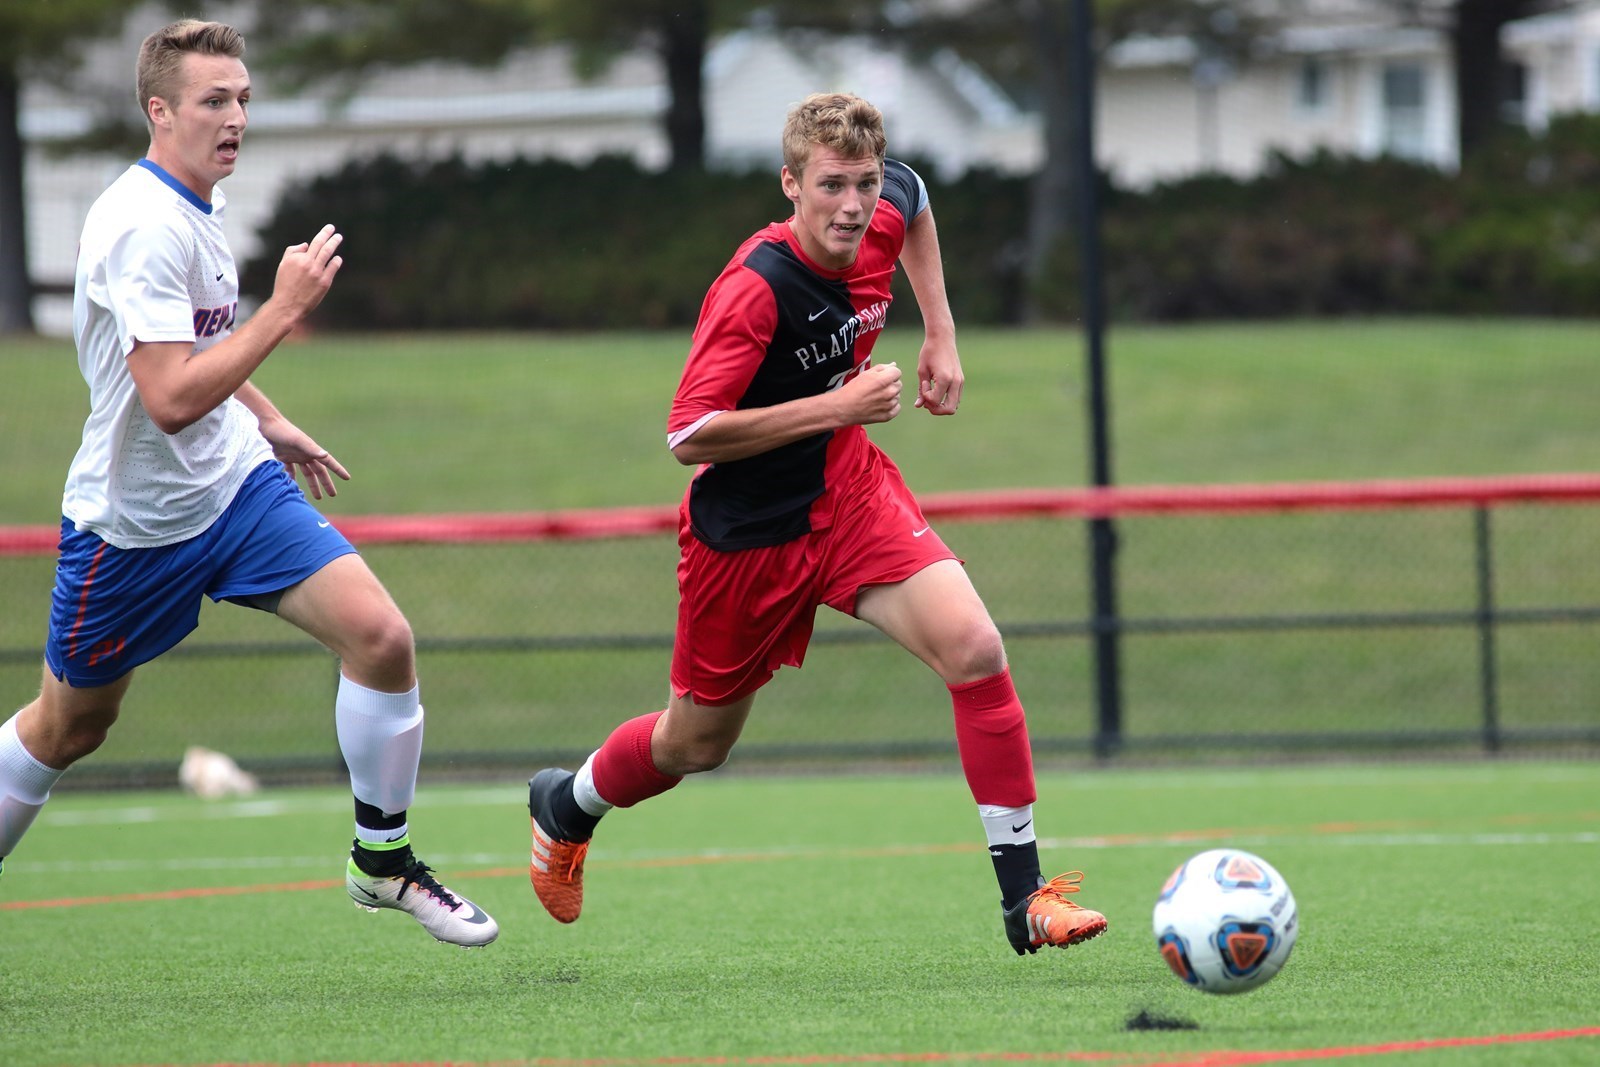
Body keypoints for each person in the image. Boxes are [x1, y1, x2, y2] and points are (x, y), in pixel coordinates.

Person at [525, 92, 1106, 956]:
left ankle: (1026, 899)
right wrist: (832, 405)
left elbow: (915, 198)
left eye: (863, 184)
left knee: (976, 648)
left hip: (849, 496)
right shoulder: (754, 289)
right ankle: (567, 804)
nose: (852, 204)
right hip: (749, 535)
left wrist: (943, 333)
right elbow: (689, 434)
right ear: (791, 183)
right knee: (696, 742)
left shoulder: (881, 208)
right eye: (832, 185)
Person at [0, 19, 496, 948]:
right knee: (66, 729)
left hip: (234, 489)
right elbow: (172, 398)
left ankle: (381, 862)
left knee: (382, 638)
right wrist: (288, 310)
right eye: (213, 101)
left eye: (243, 100)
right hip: (134, 529)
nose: (236, 118)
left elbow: (201, 345)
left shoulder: (195, 200)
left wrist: (266, 419)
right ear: (159, 111)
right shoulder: (144, 225)